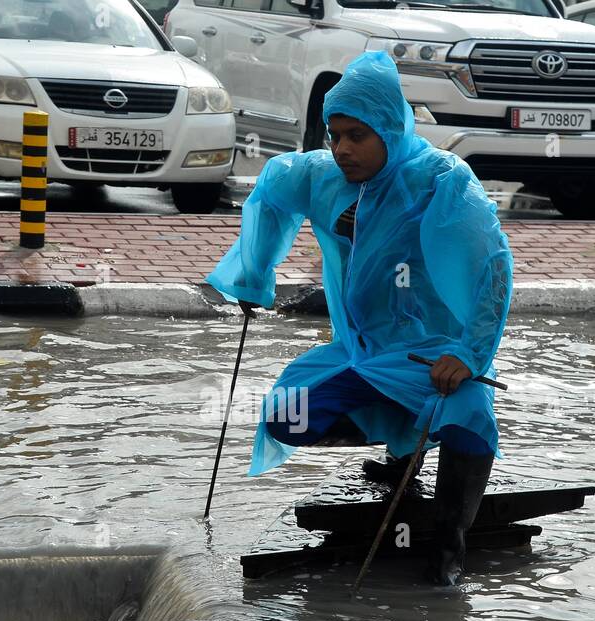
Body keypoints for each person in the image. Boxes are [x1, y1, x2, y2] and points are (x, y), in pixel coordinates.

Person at [206, 51, 513, 586]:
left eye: (358, 136)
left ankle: (447, 551)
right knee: (287, 417)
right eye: (334, 134)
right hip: (362, 350)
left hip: (433, 352)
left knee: (470, 418)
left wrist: (468, 355)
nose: (343, 148)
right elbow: (273, 188)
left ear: (391, 132)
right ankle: (402, 458)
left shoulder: (439, 179)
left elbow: (493, 270)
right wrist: (255, 276)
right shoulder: (320, 177)